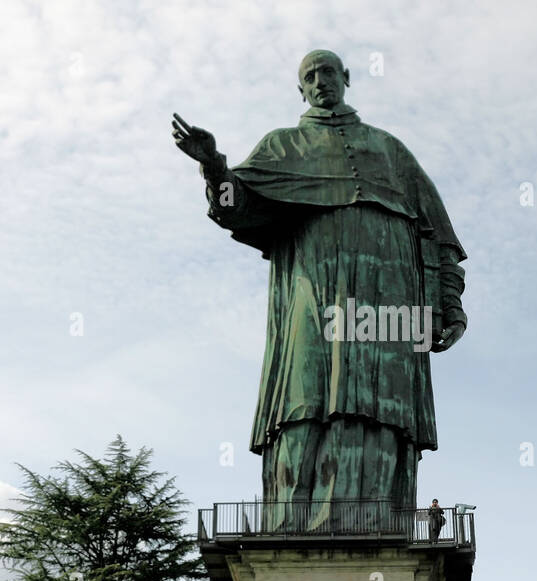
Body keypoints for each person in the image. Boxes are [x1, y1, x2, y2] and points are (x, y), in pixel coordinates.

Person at [173, 50, 468, 533]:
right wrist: (213, 166)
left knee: (380, 405)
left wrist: (448, 303)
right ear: (300, 89)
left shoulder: (389, 151)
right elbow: (235, 206)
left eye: (327, 72)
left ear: (346, 79)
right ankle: (295, 520)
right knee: (305, 395)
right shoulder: (283, 147)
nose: (319, 82)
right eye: (309, 76)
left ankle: (376, 519)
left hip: (390, 299)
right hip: (312, 295)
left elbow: (436, 235)